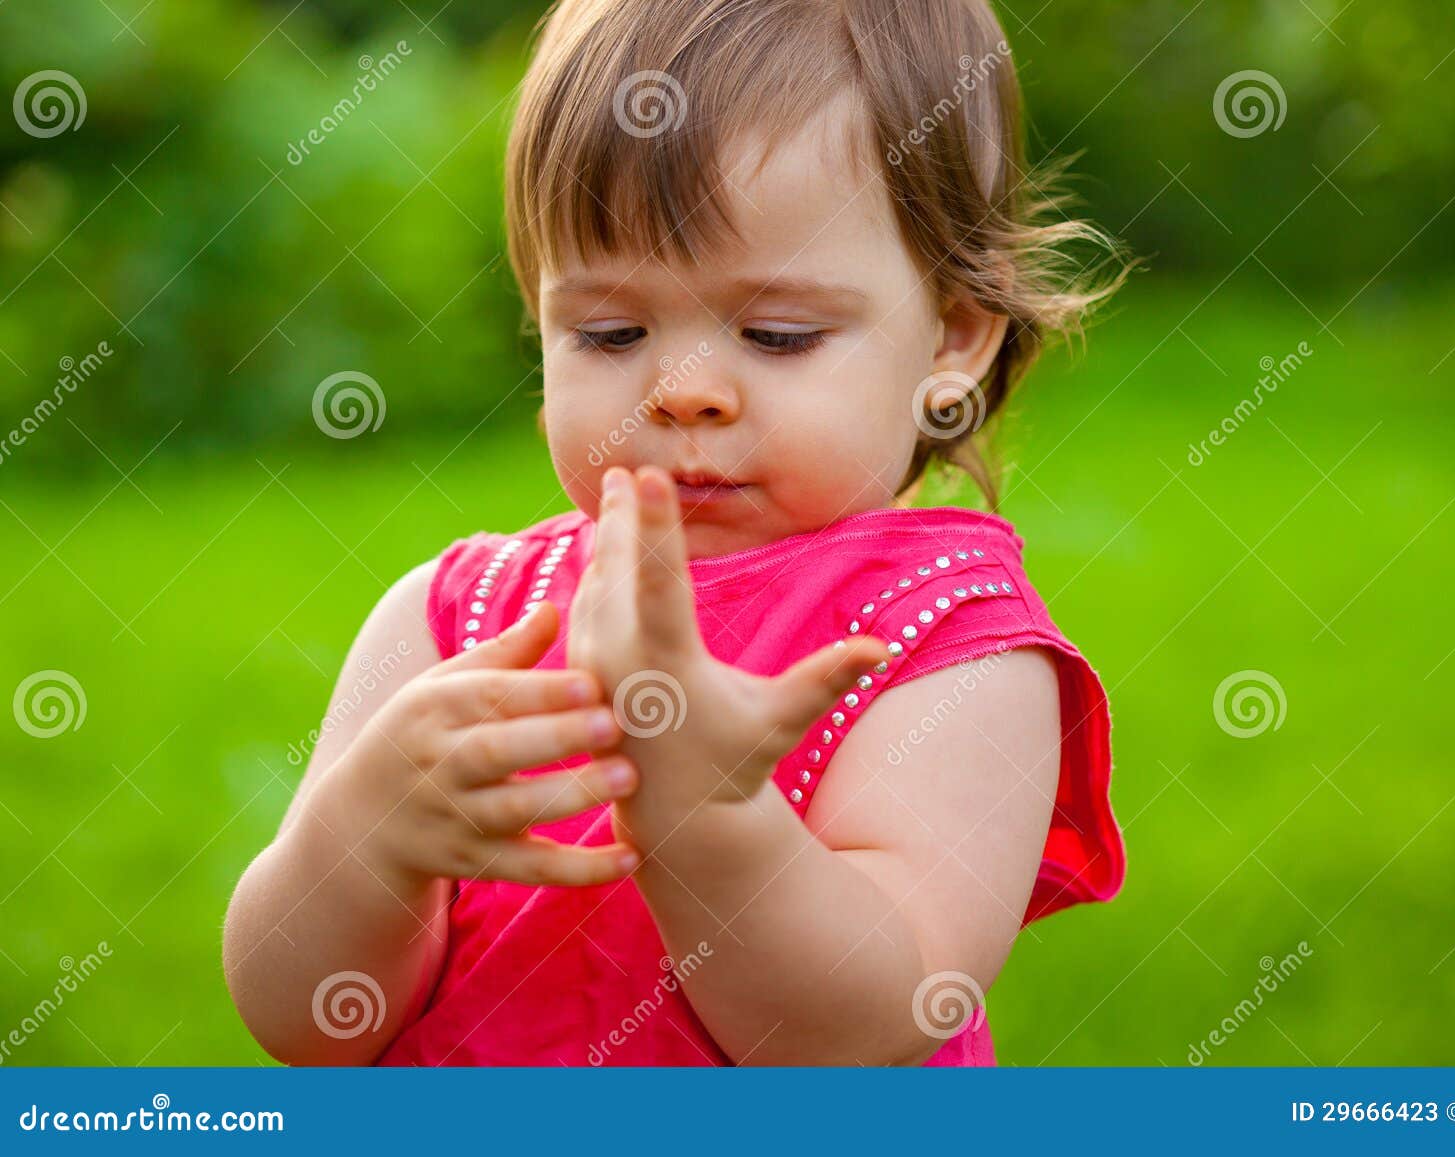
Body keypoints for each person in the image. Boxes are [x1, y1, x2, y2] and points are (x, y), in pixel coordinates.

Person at [224, 0, 1129, 1066]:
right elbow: (305, 1025)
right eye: (610, 330)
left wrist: (702, 813)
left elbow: (865, 1029)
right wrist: (362, 846)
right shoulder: (458, 626)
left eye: (777, 334)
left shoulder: (942, 647)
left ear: (954, 336)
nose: (685, 389)